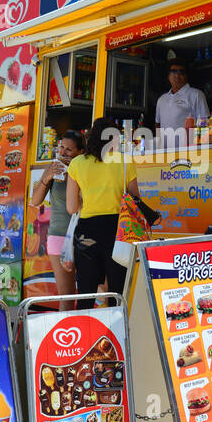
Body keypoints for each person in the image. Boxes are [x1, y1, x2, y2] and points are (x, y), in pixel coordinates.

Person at [65, 117, 142, 308]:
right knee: (118, 292)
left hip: (87, 231)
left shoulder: (76, 164)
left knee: (86, 292)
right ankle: (116, 335)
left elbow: (72, 208)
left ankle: (84, 335)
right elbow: (135, 200)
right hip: (117, 231)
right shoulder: (124, 162)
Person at [28, 130, 83, 308]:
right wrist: (47, 177)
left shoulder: (84, 170)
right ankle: (66, 332)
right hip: (59, 236)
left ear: (80, 153)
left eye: (69, 149)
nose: (63, 152)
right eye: (61, 147)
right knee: (66, 296)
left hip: (84, 235)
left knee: (88, 292)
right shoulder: (54, 169)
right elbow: (35, 202)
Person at [154, 57, 209, 145]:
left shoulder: (196, 95)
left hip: (188, 151)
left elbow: (205, 123)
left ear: (186, 76)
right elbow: (158, 124)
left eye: (181, 72)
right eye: (173, 71)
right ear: (168, 76)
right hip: (165, 152)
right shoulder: (161, 99)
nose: (177, 75)